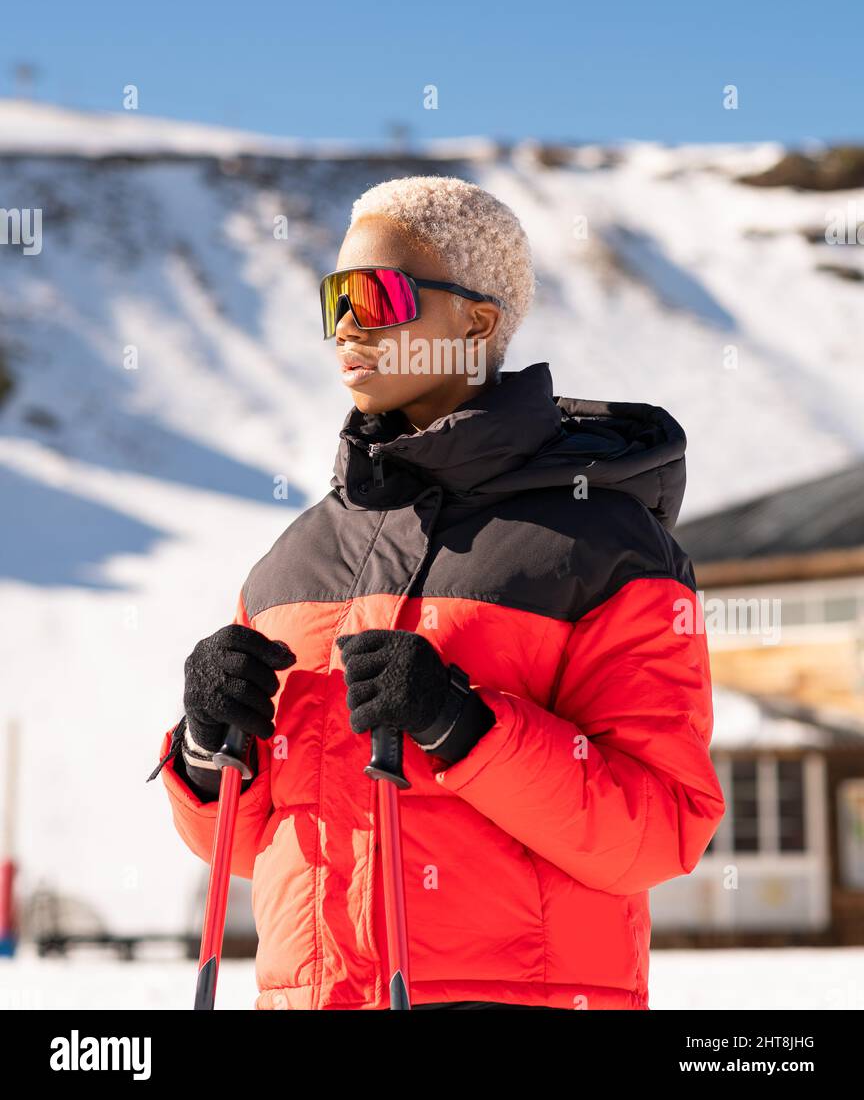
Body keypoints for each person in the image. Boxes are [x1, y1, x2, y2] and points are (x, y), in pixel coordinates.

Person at [149, 175, 725, 1011]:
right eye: (334, 297)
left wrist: (466, 728)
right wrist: (206, 750)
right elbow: (244, 847)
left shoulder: (601, 546)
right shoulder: (295, 559)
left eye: (378, 295)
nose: (347, 324)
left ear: (477, 321)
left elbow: (661, 828)